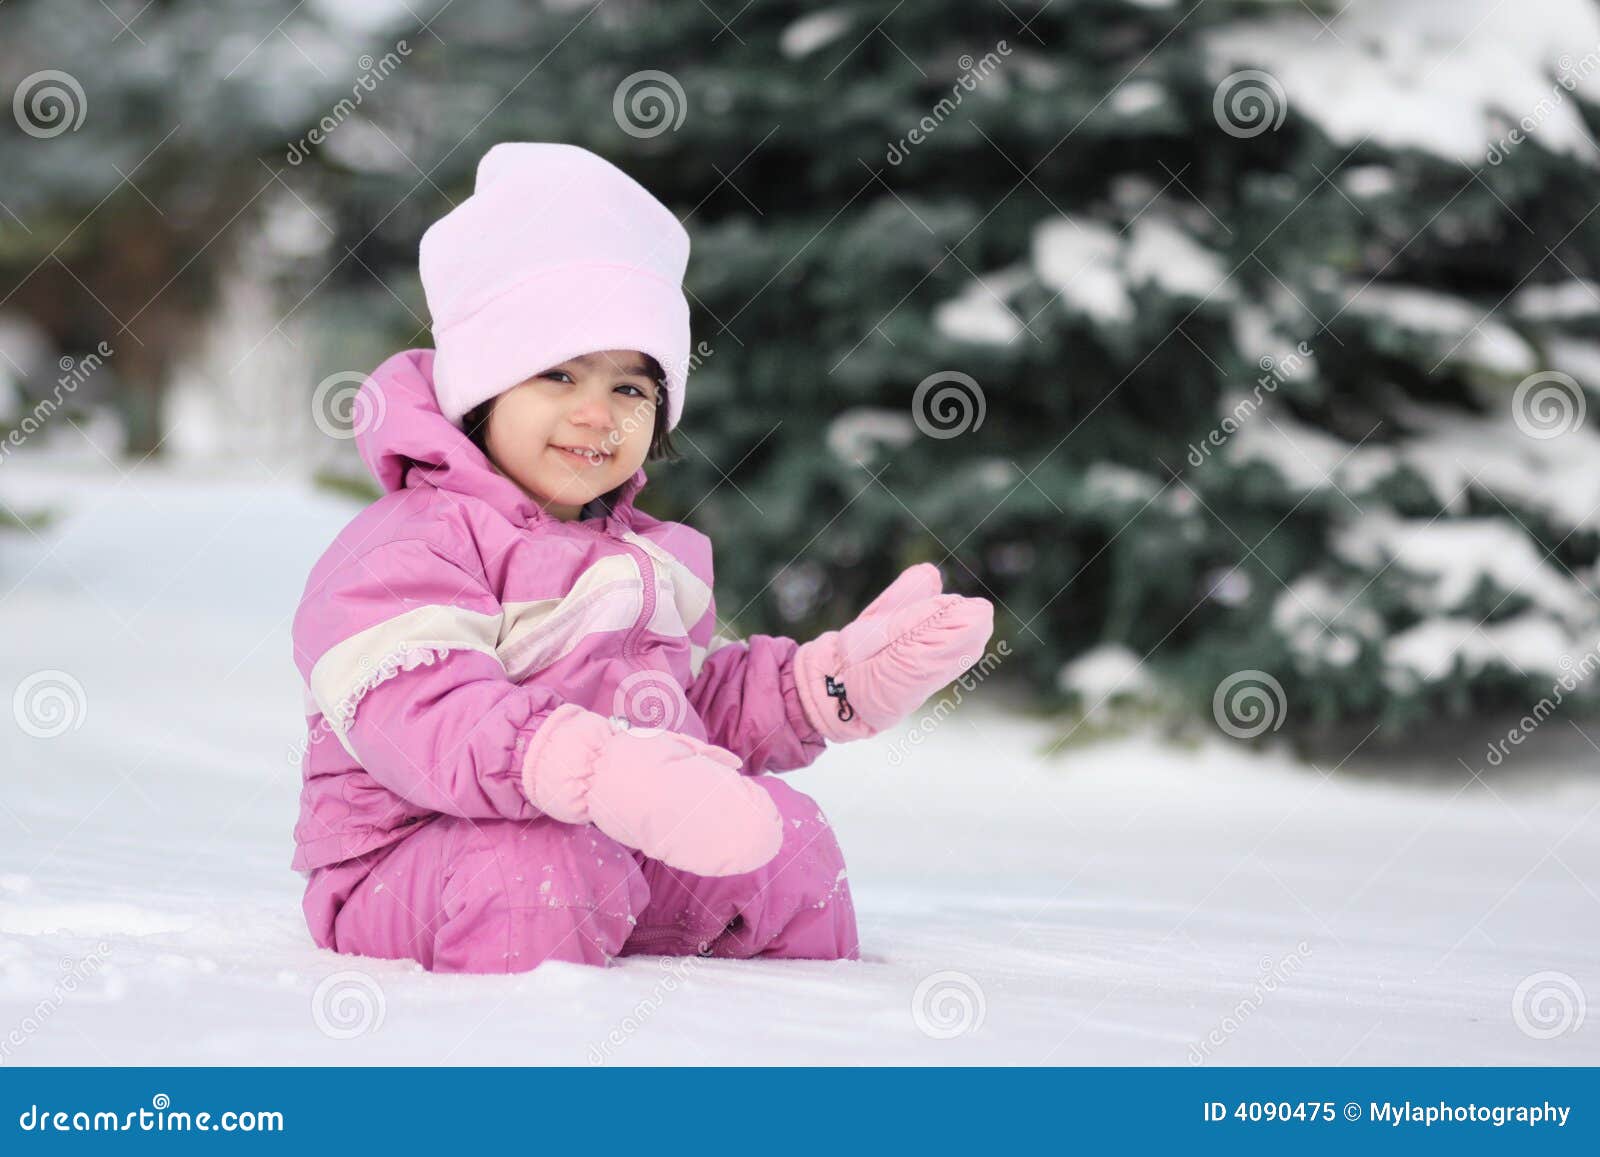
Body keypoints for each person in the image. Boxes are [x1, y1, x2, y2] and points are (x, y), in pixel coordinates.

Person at [289, 142, 994, 973]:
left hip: (600, 844)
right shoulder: (417, 540)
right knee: (543, 871)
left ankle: (787, 1056)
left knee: (786, 847)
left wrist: (824, 687)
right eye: (557, 374)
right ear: (482, 388)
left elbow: (684, 707)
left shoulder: (645, 559)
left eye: (631, 387)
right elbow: (421, 710)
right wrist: (595, 766)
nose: (598, 414)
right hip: (411, 859)